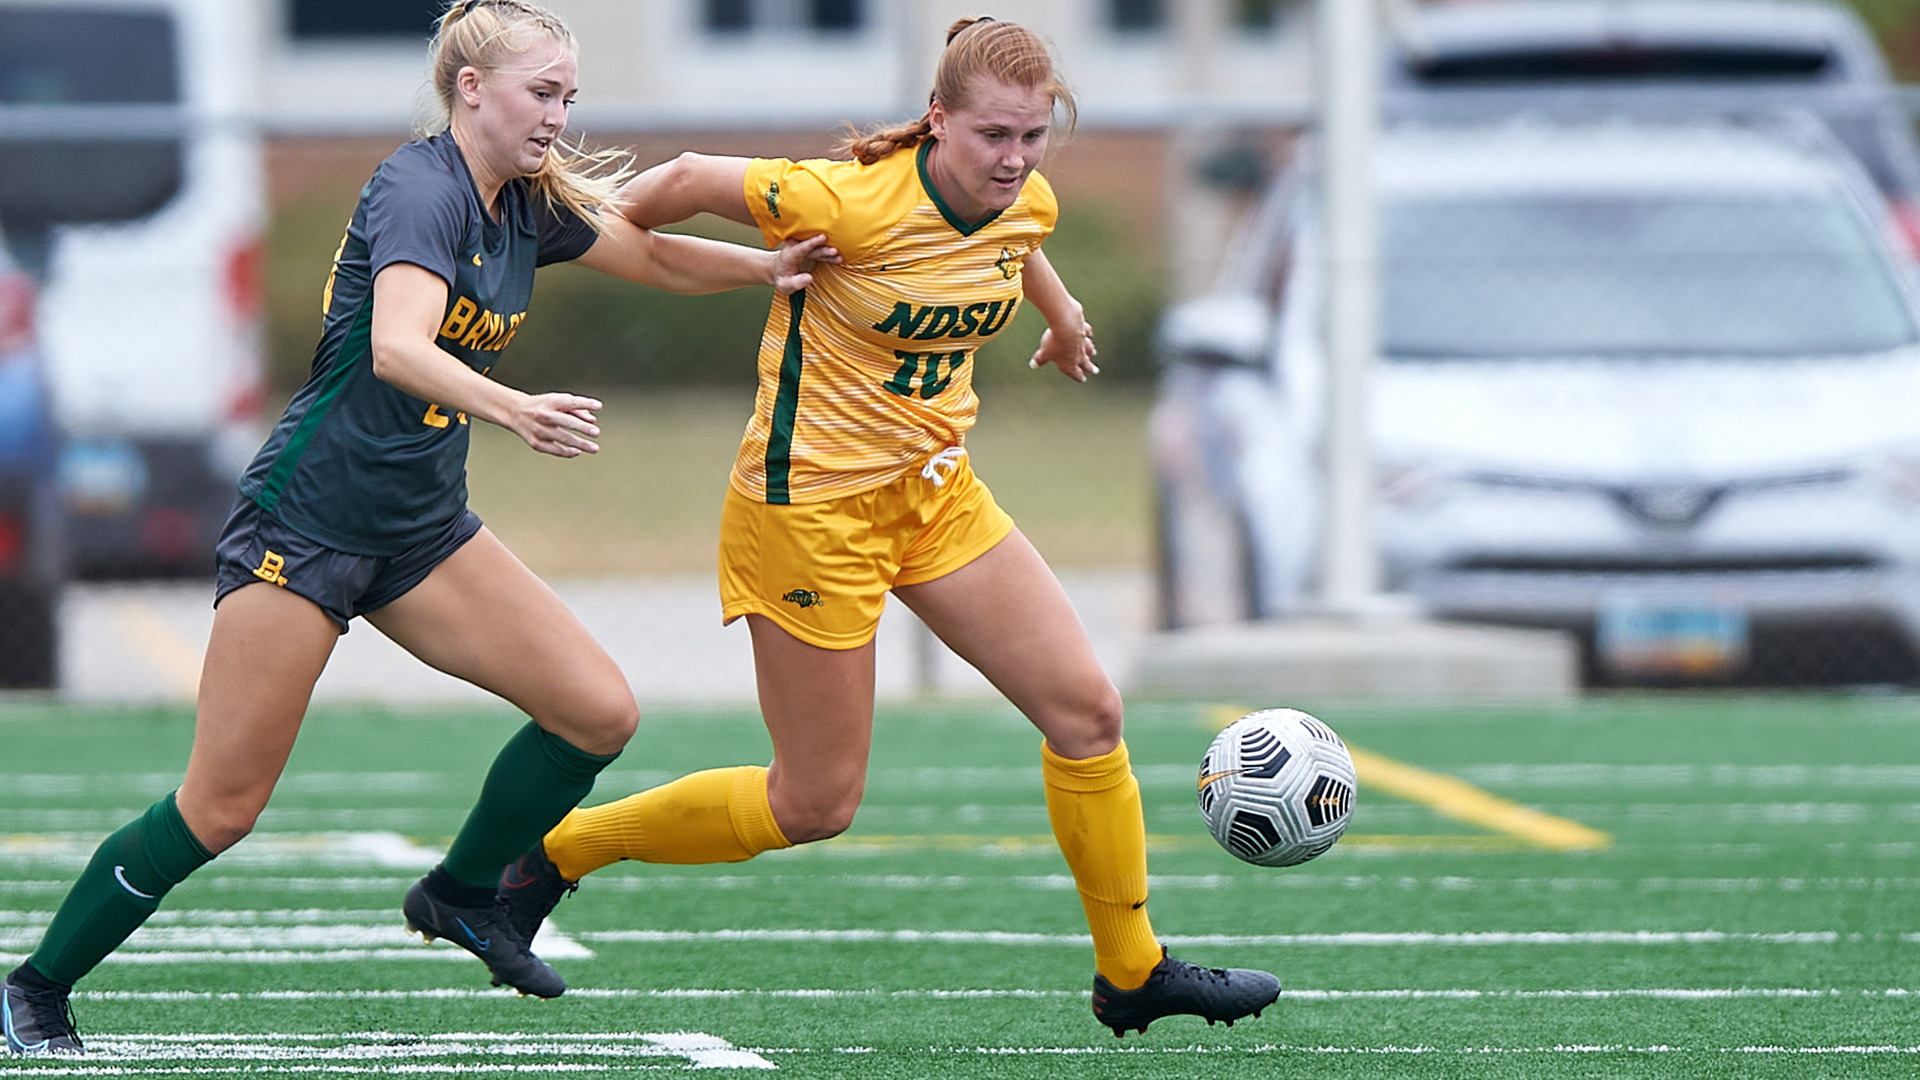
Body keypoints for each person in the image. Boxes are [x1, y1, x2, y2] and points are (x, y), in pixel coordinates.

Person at [0, 0, 832, 1057]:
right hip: (304, 528)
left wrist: (763, 270)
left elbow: (652, 255)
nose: (559, 117)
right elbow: (398, 346)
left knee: (596, 713)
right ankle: (34, 986)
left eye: (570, 97)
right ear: (469, 89)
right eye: (543, 93)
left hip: (419, 530)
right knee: (221, 806)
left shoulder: (522, 201)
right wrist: (517, 408)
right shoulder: (418, 187)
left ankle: (464, 894)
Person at [492, 16, 1282, 1038]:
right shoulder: (847, 199)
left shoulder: (1022, 198)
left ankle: (1132, 972)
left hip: (937, 495)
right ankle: (553, 854)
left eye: (1033, 138)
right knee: (812, 803)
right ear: (937, 120)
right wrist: (558, 248)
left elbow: (1019, 239)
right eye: (993, 136)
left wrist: (1064, 312)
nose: (1014, 160)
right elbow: (685, 174)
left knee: (1088, 713)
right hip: (809, 513)